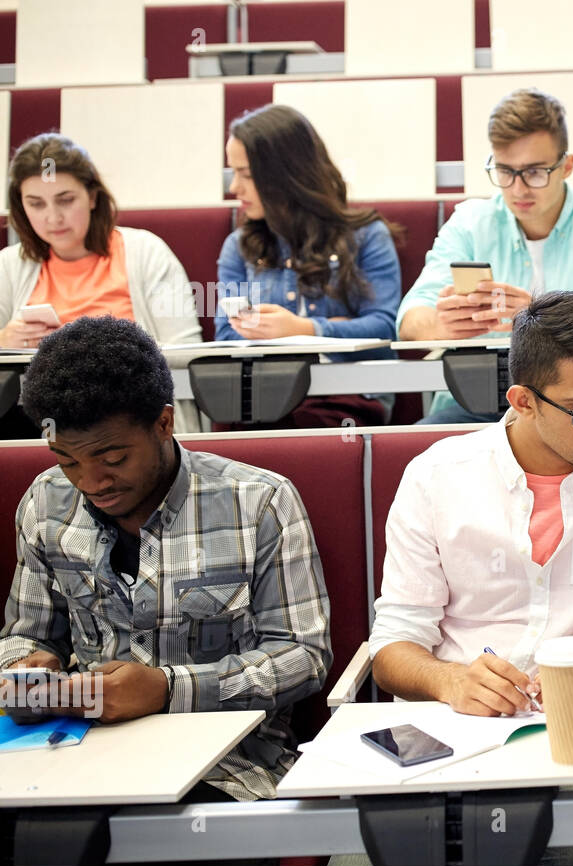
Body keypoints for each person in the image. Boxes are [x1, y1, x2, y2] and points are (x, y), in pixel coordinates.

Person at [368, 291, 573, 865]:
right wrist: (449, 681)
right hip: (451, 739)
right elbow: (392, 645)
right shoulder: (436, 477)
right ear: (522, 400)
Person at [0, 318, 332, 801]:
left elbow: (304, 657)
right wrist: (28, 673)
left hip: (225, 763)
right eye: (68, 461)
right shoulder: (44, 503)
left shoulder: (258, 501)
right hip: (74, 753)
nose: (92, 483)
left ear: (164, 422)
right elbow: (26, 634)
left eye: (113, 460)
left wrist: (166, 689)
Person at [397, 88, 573, 423]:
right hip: (475, 404)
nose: (518, 189)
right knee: (419, 452)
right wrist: (442, 324)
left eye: (535, 172)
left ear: (566, 166)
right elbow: (409, 319)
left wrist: (544, 318)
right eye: (505, 171)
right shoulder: (469, 222)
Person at [0, 133, 203, 435]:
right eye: (36, 204)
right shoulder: (9, 264)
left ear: (93, 196)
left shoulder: (145, 252)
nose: (53, 217)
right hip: (37, 422)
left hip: (132, 414)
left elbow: (187, 354)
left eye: (66, 200)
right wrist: (4, 342)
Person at [216, 104, 401, 427]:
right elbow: (224, 335)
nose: (234, 188)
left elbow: (384, 328)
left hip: (347, 394)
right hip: (262, 395)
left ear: (285, 173)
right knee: (233, 425)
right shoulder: (239, 246)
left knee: (299, 425)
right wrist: (337, 328)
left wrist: (304, 330)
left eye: (245, 174)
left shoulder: (367, 236)